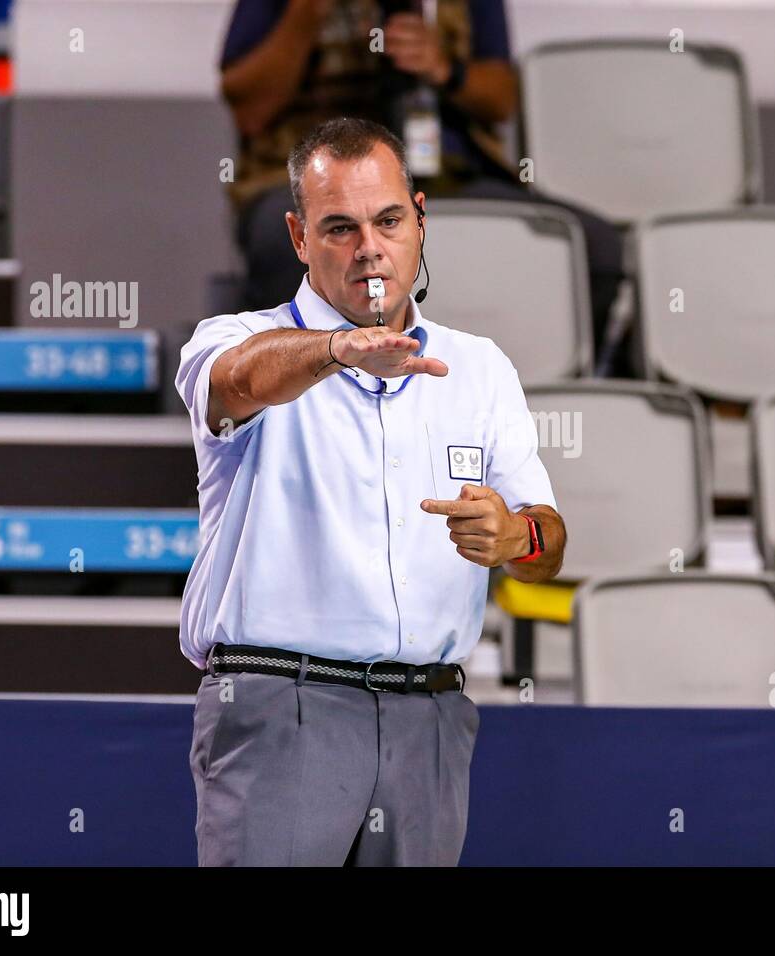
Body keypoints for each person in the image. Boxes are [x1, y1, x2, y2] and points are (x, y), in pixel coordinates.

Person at [176, 117, 567, 865]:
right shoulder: (231, 340)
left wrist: (518, 538)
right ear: (297, 237)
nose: (369, 248)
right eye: (338, 228)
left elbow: (548, 543)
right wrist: (338, 348)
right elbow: (240, 383)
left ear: (420, 216)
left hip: (432, 717)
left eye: (388, 220)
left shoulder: (482, 368)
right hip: (280, 704)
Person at [219, 0, 625, 371]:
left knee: (596, 245)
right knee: (280, 236)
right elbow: (249, 108)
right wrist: (306, 13)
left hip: (449, 174)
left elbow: (500, 98)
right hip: (318, 179)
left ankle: (548, 384)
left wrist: (446, 69)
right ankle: (300, 382)